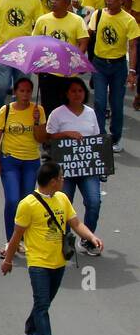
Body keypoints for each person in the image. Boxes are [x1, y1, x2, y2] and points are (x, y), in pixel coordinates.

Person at [1, 162, 103, 335]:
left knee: (44, 302)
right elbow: (16, 237)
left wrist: (91, 237)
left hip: (58, 263)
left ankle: (31, 329)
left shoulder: (62, 199)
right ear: (53, 181)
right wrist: (8, 260)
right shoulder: (27, 205)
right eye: (62, 177)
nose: (64, 180)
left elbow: (76, 224)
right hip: (38, 262)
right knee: (42, 304)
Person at [45, 77, 103, 248]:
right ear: (67, 94)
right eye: (73, 91)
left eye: (80, 90)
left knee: (94, 202)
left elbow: (97, 139)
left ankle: (88, 238)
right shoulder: (57, 113)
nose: (77, 94)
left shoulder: (91, 113)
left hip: (87, 168)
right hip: (65, 171)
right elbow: (48, 138)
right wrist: (66, 134)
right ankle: (65, 239)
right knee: (63, 204)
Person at [0, 77, 47, 252]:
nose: (25, 94)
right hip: (10, 161)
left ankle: (20, 240)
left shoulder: (38, 110)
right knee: (13, 199)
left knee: (26, 203)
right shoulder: (5, 110)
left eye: (28, 91)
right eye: (21, 91)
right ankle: (10, 241)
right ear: (15, 92)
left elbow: (41, 139)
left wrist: (37, 121)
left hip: (31, 162)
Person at [87, 0, 139, 147]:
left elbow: (132, 46)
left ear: (122, 0)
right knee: (100, 102)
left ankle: (115, 138)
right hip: (99, 64)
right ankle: (101, 137)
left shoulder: (129, 20)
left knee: (116, 104)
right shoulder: (98, 14)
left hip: (118, 67)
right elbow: (87, 36)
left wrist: (132, 71)